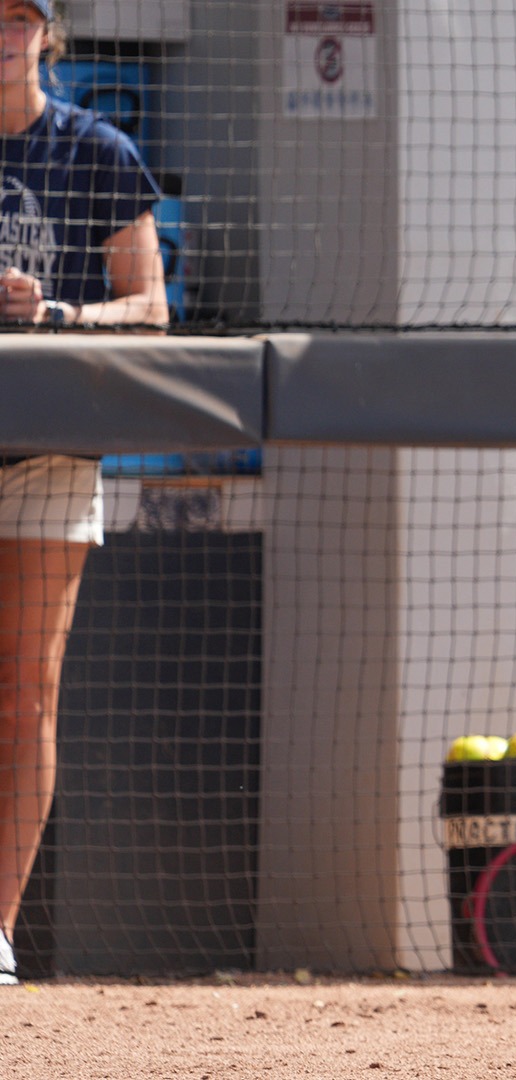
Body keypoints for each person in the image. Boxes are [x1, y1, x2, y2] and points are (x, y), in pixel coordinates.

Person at [1, 0, 169, 985]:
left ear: (47, 32)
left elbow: (153, 308)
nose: (5, 30)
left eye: (21, 14)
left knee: (26, 692)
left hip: (53, 452)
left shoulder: (97, 150)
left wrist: (54, 311)